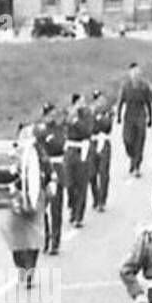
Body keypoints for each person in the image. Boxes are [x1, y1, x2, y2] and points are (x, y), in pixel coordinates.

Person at [1, 119, 45, 287]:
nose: (28, 136)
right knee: (16, 238)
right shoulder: (12, 153)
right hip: (15, 199)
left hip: (34, 199)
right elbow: (2, 175)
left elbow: (46, 169)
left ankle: (30, 271)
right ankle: (21, 268)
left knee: (34, 237)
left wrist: (51, 182)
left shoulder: (37, 151)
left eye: (30, 133)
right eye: (24, 133)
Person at [36, 104, 68, 254]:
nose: (51, 117)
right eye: (48, 115)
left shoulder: (59, 129)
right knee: (43, 209)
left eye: (53, 114)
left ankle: (55, 241)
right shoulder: (40, 131)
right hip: (43, 172)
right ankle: (45, 239)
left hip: (56, 169)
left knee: (56, 209)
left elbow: (59, 145)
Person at [116, 62, 152, 177]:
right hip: (129, 115)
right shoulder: (125, 86)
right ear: (130, 73)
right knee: (128, 140)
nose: (136, 75)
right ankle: (132, 157)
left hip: (140, 114)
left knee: (139, 141)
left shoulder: (144, 86)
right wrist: (118, 116)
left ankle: (136, 166)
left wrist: (150, 117)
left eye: (138, 72)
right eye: (134, 72)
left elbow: (148, 103)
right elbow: (120, 102)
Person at [63, 92, 93, 228]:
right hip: (70, 150)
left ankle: (78, 216)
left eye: (83, 102)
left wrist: (76, 122)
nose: (82, 105)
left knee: (81, 184)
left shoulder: (87, 115)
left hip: (82, 150)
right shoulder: (68, 116)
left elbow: (87, 132)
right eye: (80, 103)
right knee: (70, 183)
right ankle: (72, 207)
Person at [89, 87, 114, 212]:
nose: (99, 103)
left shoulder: (107, 112)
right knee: (92, 173)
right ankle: (95, 197)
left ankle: (102, 200)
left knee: (103, 172)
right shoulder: (89, 113)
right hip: (92, 143)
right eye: (97, 101)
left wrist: (99, 118)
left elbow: (107, 126)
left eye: (100, 100)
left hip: (103, 142)